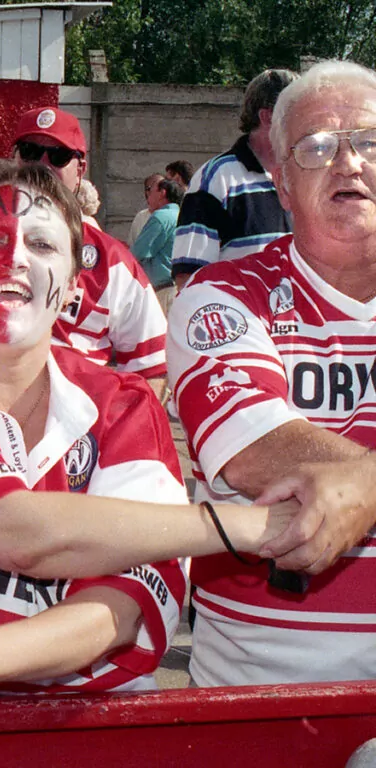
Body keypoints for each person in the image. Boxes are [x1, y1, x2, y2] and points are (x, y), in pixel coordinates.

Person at [0, 160, 298, 703]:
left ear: (75, 287)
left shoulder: (125, 405)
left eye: (42, 245)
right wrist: (250, 525)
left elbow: (119, 610)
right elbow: (17, 534)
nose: (14, 260)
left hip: (89, 737)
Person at [167, 60, 376, 687]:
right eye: (317, 147)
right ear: (281, 184)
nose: (349, 163)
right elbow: (261, 452)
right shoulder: (219, 297)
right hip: (262, 696)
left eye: (367, 141)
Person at [0, 106, 168, 397]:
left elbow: (152, 366)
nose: (42, 165)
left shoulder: (113, 263)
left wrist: (120, 435)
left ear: (80, 170)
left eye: (58, 156)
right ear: (14, 158)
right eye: (31, 151)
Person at [171, 69, 297, 289]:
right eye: (298, 111)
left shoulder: (309, 174)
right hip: (244, 321)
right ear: (267, 117)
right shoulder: (215, 179)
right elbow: (190, 279)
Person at [131, 178, 183, 316]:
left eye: (151, 190)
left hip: (162, 292)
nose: (148, 196)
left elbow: (138, 253)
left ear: (162, 193)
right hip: (178, 288)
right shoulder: (182, 215)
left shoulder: (160, 217)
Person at [128, 173, 164, 245]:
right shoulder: (141, 216)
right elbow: (131, 245)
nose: (163, 192)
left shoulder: (173, 215)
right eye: (159, 188)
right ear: (148, 192)